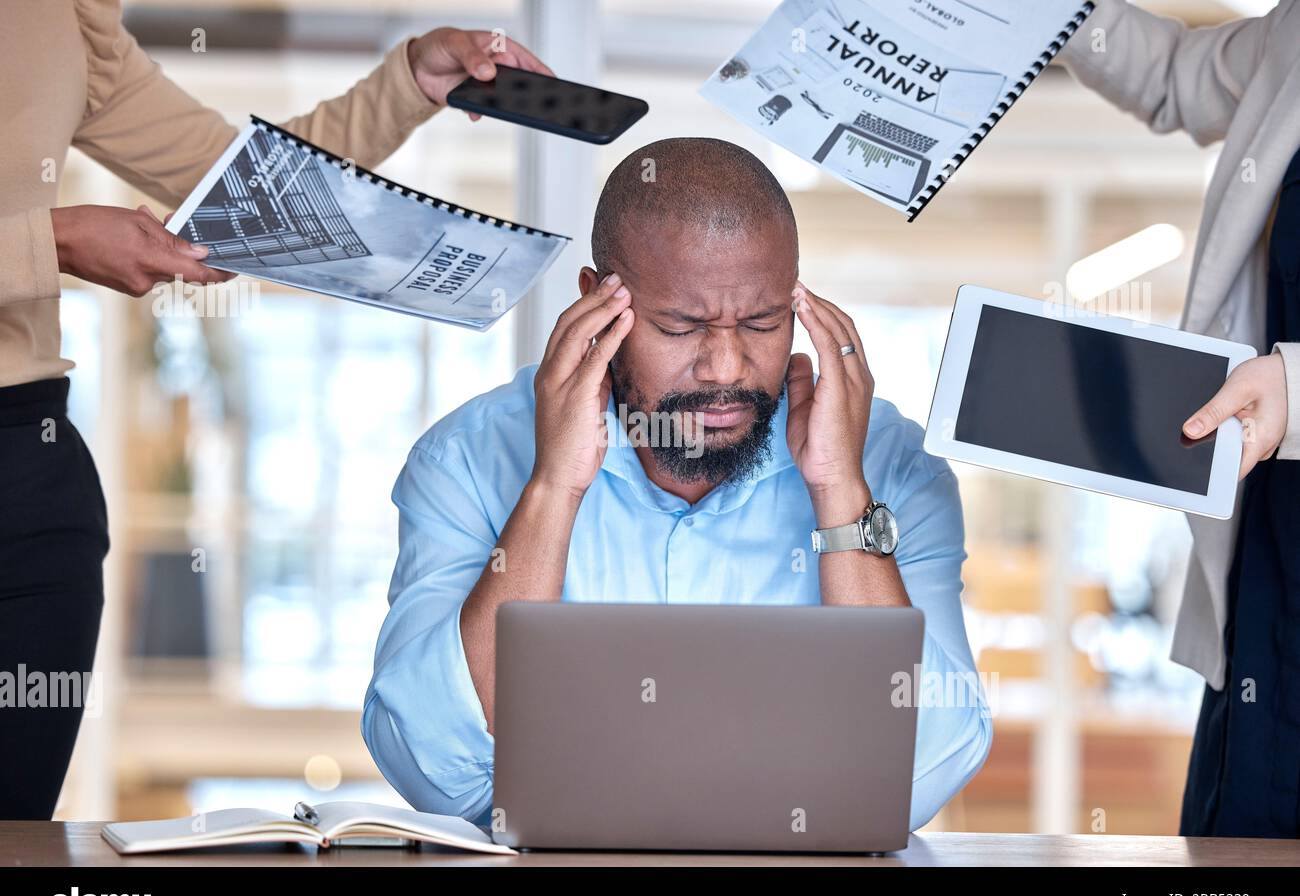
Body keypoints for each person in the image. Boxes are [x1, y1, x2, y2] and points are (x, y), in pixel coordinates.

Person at [0, 0, 551, 819]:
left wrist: (408, 83)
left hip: (28, 470)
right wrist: (55, 242)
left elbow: (248, 183)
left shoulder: (62, 17)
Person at [363, 138, 992, 833]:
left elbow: (925, 769)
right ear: (598, 303)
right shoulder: (465, 463)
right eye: (680, 325)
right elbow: (428, 768)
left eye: (761, 322)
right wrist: (552, 488)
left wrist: (841, 492)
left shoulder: (895, 468)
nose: (726, 366)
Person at [1058, 0, 1300, 836]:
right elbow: (1171, 76)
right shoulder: (1293, 32)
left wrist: (1295, 393)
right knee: (1226, 879)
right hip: (1268, 559)